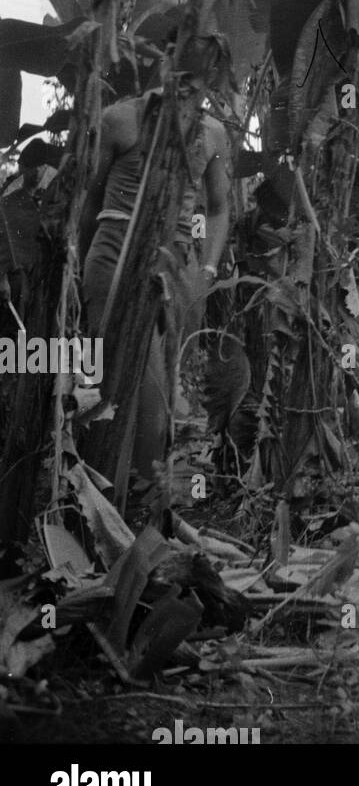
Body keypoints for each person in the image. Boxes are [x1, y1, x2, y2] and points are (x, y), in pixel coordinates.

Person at [81, 69, 231, 486]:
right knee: (116, 375)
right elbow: (91, 200)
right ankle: (105, 500)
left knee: (159, 383)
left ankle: (140, 502)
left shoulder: (212, 134)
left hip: (174, 264)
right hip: (113, 253)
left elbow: (218, 208)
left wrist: (207, 268)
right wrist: (79, 272)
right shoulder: (119, 119)